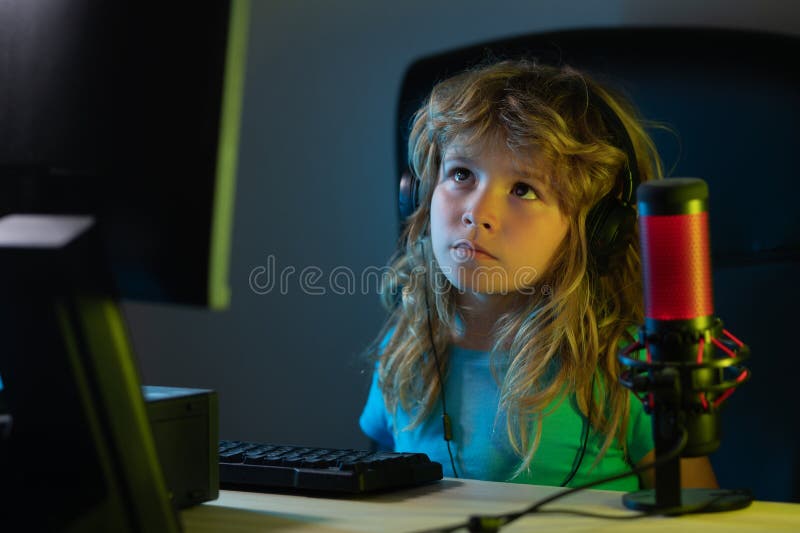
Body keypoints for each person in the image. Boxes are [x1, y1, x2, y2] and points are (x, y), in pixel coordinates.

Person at [359, 59, 718, 491]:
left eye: (523, 189)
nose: (477, 212)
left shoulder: (626, 369)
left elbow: (699, 510)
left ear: (594, 231)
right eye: (461, 174)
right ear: (419, 192)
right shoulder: (406, 349)